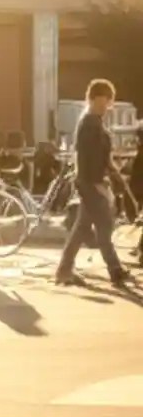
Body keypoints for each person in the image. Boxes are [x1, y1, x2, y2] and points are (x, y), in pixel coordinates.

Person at [55, 79, 135, 288]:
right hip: (90, 183)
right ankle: (115, 271)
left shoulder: (92, 121)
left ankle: (64, 270)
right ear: (97, 98)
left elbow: (99, 156)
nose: (109, 104)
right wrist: (99, 182)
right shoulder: (90, 123)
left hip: (89, 182)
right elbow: (90, 158)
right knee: (104, 226)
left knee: (82, 228)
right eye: (107, 99)